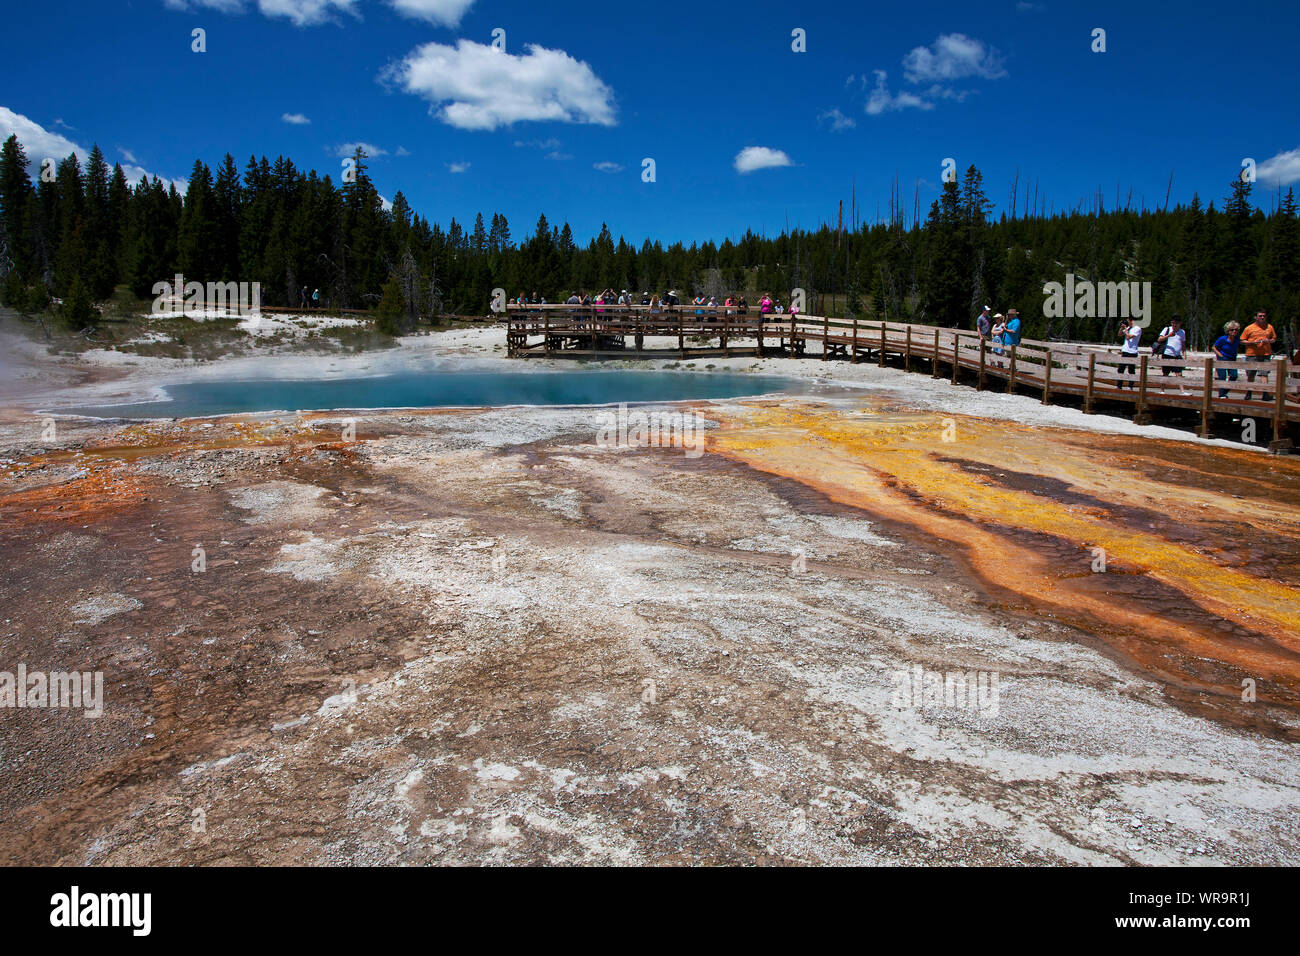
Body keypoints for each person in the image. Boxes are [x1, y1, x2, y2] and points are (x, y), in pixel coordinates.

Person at [1240, 309, 1277, 401]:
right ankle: (1249, 393)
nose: (1262, 317)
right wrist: (1252, 342)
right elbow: (1242, 341)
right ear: (1255, 317)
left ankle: (1265, 394)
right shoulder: (1249, 328)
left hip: (1265, 354)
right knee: (1251, 374)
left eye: (1264, 316)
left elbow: (1274, 339)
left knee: (1264, 374)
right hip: (1252, 354)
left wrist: (1268, 341)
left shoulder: (1269, 327)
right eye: (1260, 316)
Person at [1153, 315, 1188, 387]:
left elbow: (1183, 344)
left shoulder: (1182, 332)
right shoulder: (1167, 329)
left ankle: (1182, 391)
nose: (1174, 325)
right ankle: (1162, 389)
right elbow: (1159, 339)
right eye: (1173, 323)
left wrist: (1184, 354)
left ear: (1180, 323)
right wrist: (1168, 335)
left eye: (1176, 323)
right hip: (1167, 354)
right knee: (1165, 373)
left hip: (1177, 355)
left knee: (1179, 374)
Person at [1213, 321, 1242, 399]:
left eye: (1236, 330)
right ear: (1228, 331)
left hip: (1232, 358)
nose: (1234, 331)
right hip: (1223, 358)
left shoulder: (1237, 339)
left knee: (1234, 375)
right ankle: (1221, 395)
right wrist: (1220, 355)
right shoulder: (1222, 339)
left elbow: (1245, 342)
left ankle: (1224, 392)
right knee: (1222, 376)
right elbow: (1214, 347)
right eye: (1232, 330)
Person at [1117, 317, 1142, 388]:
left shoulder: (1137, 328)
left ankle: (1130, 386)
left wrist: (1125, 328)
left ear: (1132, 321)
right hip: (1125, 351)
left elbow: (1128, 337)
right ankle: (1119, 385)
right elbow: (1119, 334)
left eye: (1128, 321)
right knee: (1121, 369)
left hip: (1132, 352)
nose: (1127, 322)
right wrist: (1122, 328)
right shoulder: (1128, 328)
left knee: (1131, 369)